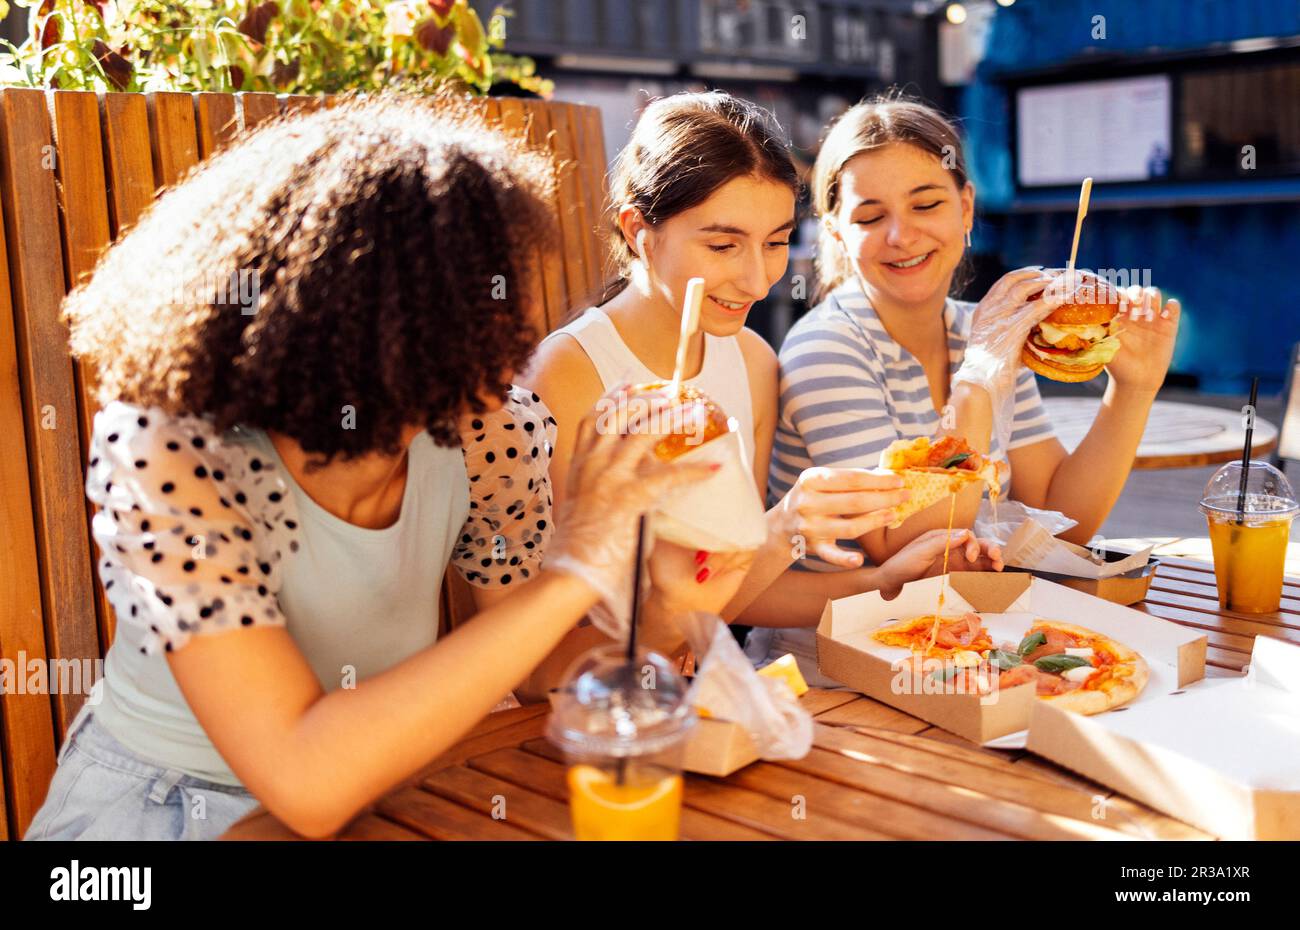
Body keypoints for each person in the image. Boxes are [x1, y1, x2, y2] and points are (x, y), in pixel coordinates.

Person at [25, 96, 721, 841]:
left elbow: (534, 660)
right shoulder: (172, 449)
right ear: (353, 319)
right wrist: (580, 563)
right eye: (475, 301)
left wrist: (669, 605)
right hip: (165, 813)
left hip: (388, 787)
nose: (513, 328)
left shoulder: (489, 432)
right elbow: (305, 777)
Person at [519, 92, 1004, 687]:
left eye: (775, 242)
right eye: (723, 245)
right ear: (639, 231)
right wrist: (780, 530)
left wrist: (882, 581)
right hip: (585, 710)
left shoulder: (750, 360)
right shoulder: (565, 375)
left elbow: (728, 594)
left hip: (700, 699)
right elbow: (530, 664)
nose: (756, 278)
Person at [755, 94, 1179, 674]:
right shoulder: (827, 347)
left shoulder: (981, 329)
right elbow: (906, 544)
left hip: (966, 638)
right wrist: (980, 375)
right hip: (838, 663)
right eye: (870, 216)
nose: (901, 235)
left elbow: (1062, 515)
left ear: (966, 208)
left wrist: (1133, 389)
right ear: (835, 232)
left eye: (926, 204)